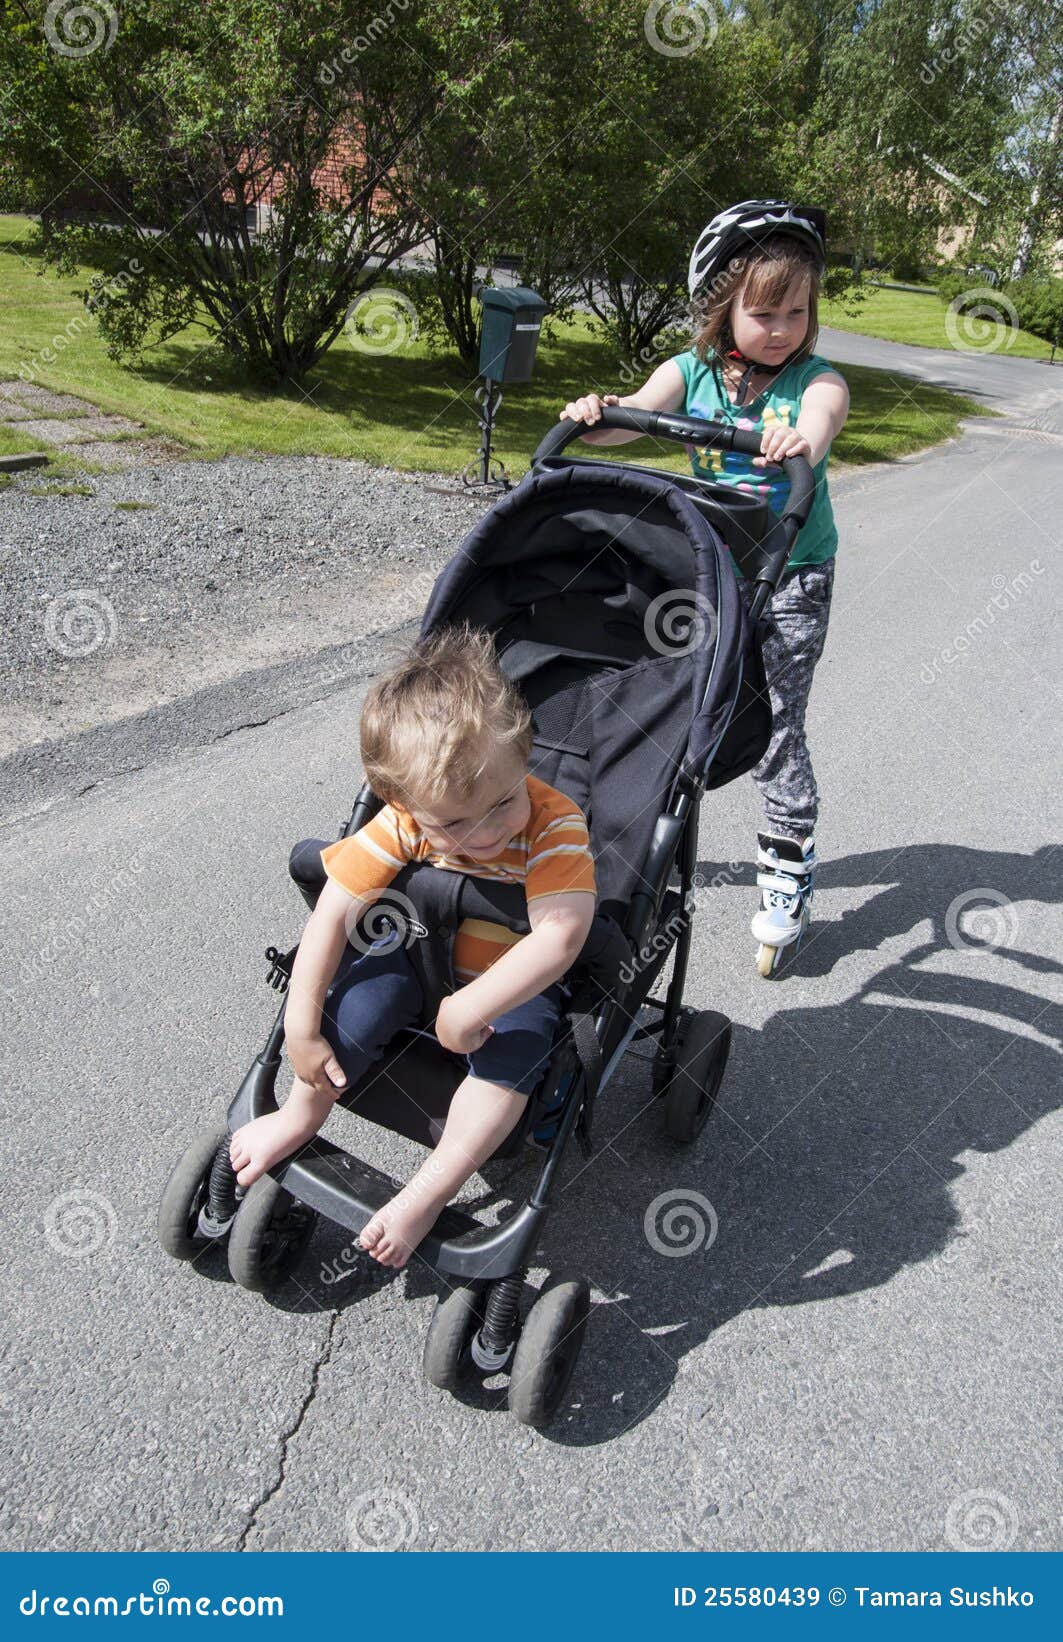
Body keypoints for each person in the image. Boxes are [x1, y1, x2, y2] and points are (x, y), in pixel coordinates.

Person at [227, 623, 596, 1268]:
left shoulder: (552, 821)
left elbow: (561, 937)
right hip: (418, 949)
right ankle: (298, 1114)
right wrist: (301, 1024)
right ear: (402, 803)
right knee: (350, 1006)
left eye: (502, 803)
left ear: (526, 759)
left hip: (509, 975)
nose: (484, 834)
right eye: (454, 823)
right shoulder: (405, 820)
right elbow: (335, 910)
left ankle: (427, 1191)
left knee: (510, 1063)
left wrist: (469, 1007)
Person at [559, 200, 849, 974]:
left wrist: (798, 440)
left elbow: (819, 425)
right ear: (722, 309)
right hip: (707, 570)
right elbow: (635, 417)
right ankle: (631, 842)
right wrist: (597, 415)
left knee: (775, 724)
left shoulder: (816, 383)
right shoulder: (688, 373)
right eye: (763, 313)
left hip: (790, 576)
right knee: (663, 703)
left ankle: (787, 866)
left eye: (796, 311)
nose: (782, 328)